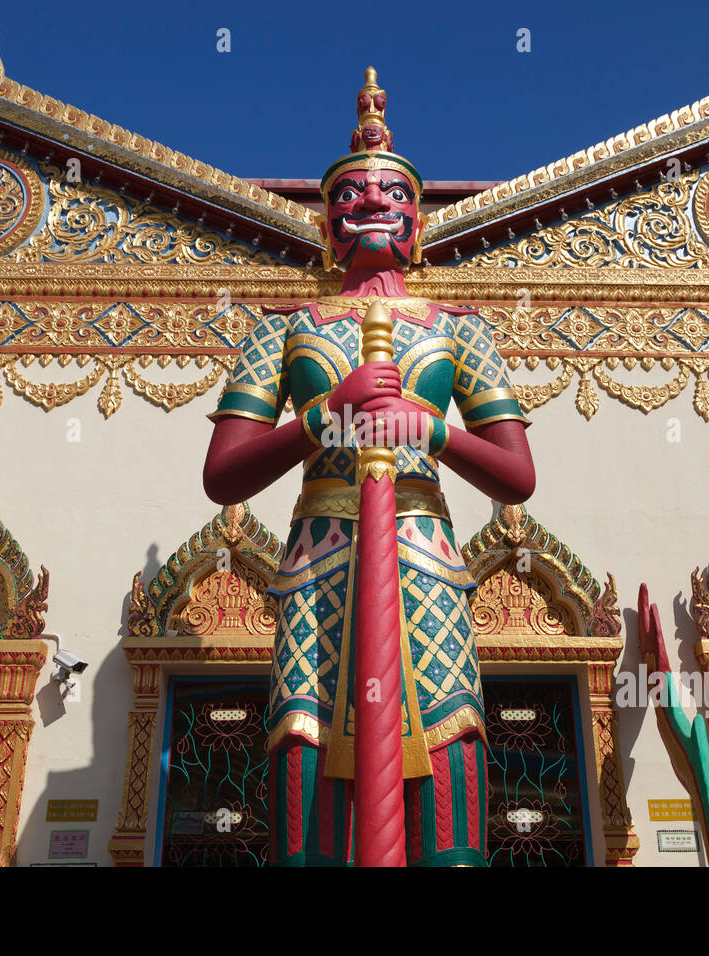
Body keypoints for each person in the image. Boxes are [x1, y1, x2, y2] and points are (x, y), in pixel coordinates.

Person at [202, 68, 535, 866]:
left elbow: (518, 477)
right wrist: (325, 415)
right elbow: (225, 474)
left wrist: (433, 431)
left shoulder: (457, 330)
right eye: (350, 197)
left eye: (392, 193)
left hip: (424, 550)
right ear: (325, 223)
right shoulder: (285, 329)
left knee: (448, 731)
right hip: (321, 555)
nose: (373, 203)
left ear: (417, 217)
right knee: (305, 733)